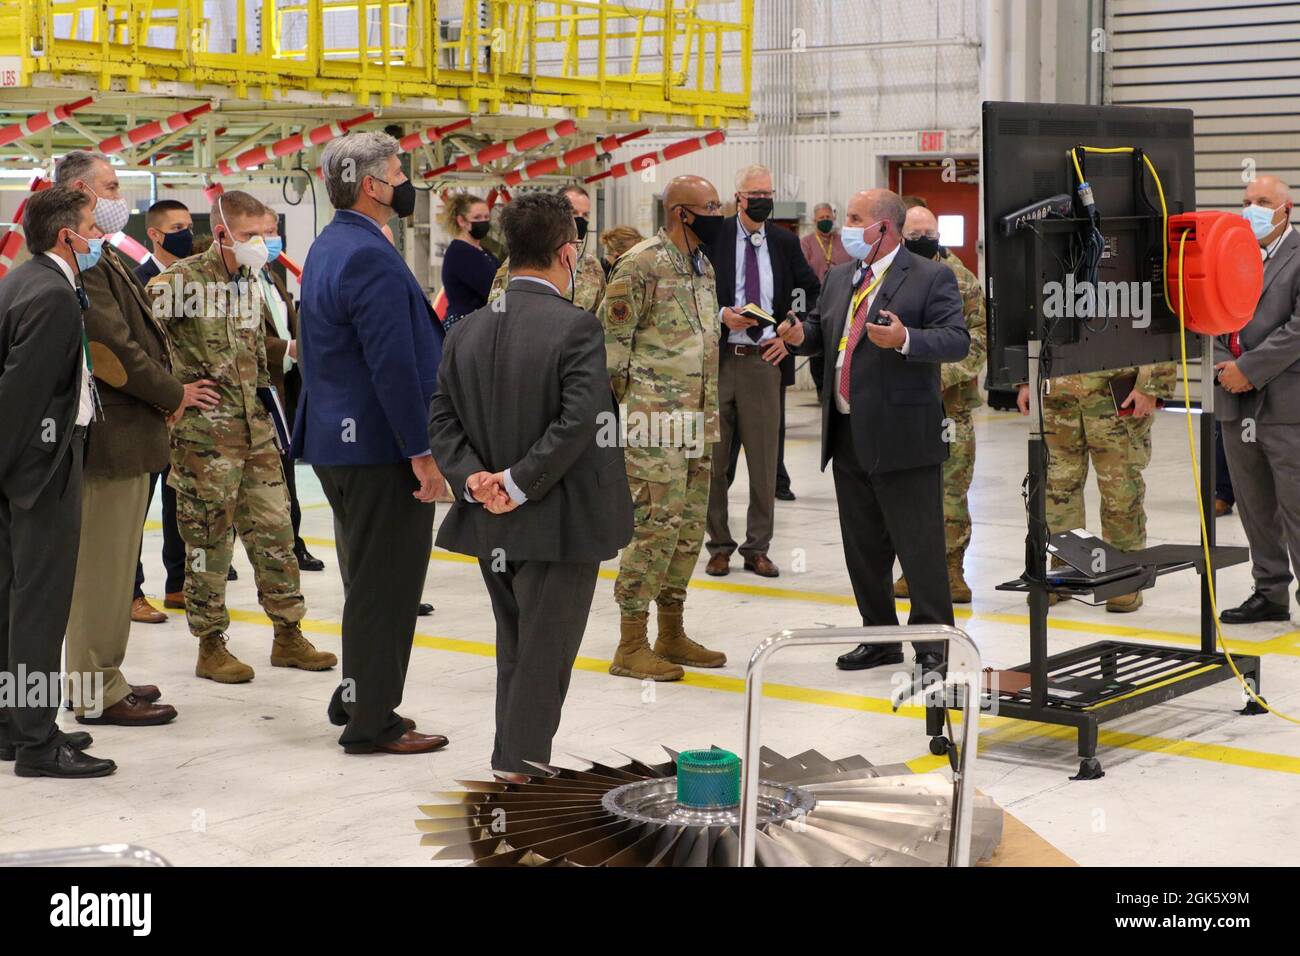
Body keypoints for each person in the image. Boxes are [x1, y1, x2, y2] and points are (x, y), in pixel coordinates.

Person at [429, 191, 633, 773]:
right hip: (557, 524)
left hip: (489, 522)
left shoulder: (464, 329)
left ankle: (509, 767)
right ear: (568, 254)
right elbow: (581, 423)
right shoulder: (576, 328)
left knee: (516, 651)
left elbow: (441, 417)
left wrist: (475, 483)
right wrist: (516, 483)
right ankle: (519, 785)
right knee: (544, 661)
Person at [295, 131, 449, 755]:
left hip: (341, 444)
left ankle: (357, 693)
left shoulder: (331, 246)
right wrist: (422, 451)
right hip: (381, 449)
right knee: (388, 587)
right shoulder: (367, 255)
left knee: (368, 580)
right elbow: (392, 361)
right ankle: (371, 723)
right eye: (398, 172)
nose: (406, 182)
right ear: (371, 185)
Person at [779, 189, 969, 673]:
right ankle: (880, 636)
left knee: (919, 548)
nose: (845, 226)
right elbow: (826, 331)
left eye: (854, 218)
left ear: (884, 228)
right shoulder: (842, 276)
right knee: (863, 548)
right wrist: (803, 336)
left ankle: (932, 647)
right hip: (847, 434)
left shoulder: (931, 276)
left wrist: (906, 338)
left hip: (904, 436)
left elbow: (956, 341)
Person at [150, 189, 335, 683]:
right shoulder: (179, 281)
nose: (265, 243)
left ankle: (288, 635)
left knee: (277, 533)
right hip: (204, 442)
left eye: (269, 233)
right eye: (253, 235)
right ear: (222, 233)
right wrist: (173, 394)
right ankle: (210, 644)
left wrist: (291, 354)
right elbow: (138, 345)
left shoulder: (252, 280)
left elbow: (252, 350)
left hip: (256, 432)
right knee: (208, 543)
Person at [57, 152, 208, 726]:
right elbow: (114, 347)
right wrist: (171, 394)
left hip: (130, 427)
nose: (121, 196)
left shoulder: (106, 253)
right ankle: (95, 689)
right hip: (111, 434)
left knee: (117, 565)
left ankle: (106, 676)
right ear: (80, 193)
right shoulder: (86, 259)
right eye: (111, 187)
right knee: (102, 567)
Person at [0, 185, 115, 777]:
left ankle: (14, 726)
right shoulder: (50, 295)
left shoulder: (24, 281)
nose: (101, 236)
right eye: (93, 225)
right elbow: (20, 399)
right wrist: (24, 474)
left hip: (24, 469)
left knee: (14, 603)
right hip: (40, 469)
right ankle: (40, 744)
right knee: (41, 607)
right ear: (65, 235)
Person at [598, 174, 728, 681]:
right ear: (682, 211)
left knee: (688, 529)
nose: (720, 214)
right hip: (654, 426)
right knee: (653, 528)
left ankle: (671, 631)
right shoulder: (641, 263)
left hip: (699, 419)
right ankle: (631, 643)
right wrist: (636, 411)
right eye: (712, 206)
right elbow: (612, 348)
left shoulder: (702, 264)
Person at [705, 164, 820, 576]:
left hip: (764, 362)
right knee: (714, 462)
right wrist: (721, 316)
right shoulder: (714, 237)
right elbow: (693, 288)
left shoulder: (784, 242)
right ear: (738, 198)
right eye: (756, 193)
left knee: (764, 461)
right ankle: (718, 545)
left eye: (769, 192)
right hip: (720, 360)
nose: (763, 200)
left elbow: (809, 290)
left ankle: (757, 548)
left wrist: (792, 328)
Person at [1016, 368, 1173, 613]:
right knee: (1058, 487)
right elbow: (1032, 330)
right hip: (1057, 390)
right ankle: (1066, 567)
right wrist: (1026, 379)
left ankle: (1125, 574)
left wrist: (1149, 385)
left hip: (1115, 391)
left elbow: (1157, 330)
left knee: (1119, 488)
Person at [892, 204, 986, 604]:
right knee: (907, 489)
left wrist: (937, 375)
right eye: (914, 234)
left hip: (951, 407)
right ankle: (912, 570)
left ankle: (951, 569)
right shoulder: (892, 276)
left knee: (951, 489)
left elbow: (979, 340)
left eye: (929, 232)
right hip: (903, 406)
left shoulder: (961, 280)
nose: (923, 239)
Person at [1217, 174, 1300, 625]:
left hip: (1287, 404)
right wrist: (1223, 368)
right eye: (1246, 200)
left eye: (1263, 201)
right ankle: (1270, 591)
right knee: (1253, 505)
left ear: (1286, 209)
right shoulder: (1230, 256)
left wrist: (1248, 369)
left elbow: (1297, 329)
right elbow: (1210, 316)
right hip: (1235, 403)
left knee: (1296, 505)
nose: (1252, 209)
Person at [253, 209, 323, 573]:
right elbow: (245, 338)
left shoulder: (272, 276)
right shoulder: (239, 282)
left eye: (273, 230)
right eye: (263, 232)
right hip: (260, 392)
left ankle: (294, 544)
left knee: (287, 472)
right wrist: (288, 348)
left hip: (287, 389)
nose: (271, 238)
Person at [487, 184, 607, 313]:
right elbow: (496, 311)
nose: (580, 220)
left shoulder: (592, 266)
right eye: (574, 213)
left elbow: (600, 316)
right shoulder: (523, 263)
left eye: (585, 214)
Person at [439, 193, 498, 329]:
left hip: (477, 324)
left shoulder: (482, 250)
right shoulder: (460, 252)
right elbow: (493, 288)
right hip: (465, 326)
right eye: (477, 218)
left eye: (486, 217)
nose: (483, 221)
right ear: (462, 221)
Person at [135, 199, 193, 285]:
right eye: (178, 227)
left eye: (190, 227)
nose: (187, 233)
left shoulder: (198, 276)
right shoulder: (137, 281)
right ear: (154, 234)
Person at [799, 202, 853, 284]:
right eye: (821, 218)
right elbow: (802, 270)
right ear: (815, 220)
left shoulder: (843, 241)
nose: (825, 220)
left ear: (833, 218)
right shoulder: (806, 243)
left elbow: (853, 265)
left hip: (842, 288)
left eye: (828, 217)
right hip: (817, 290)